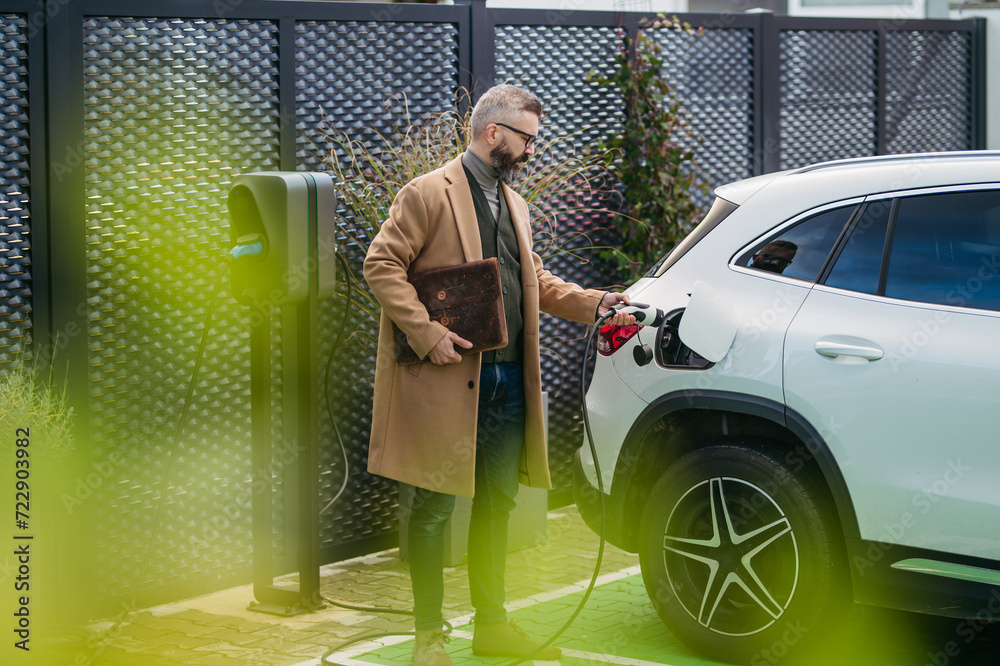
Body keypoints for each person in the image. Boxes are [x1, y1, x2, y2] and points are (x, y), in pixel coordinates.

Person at [363, 84, 635, 666]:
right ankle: (428, 639)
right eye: (527, 138)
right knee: (435, 511)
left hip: (509, 382)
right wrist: (426, 331)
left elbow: (534, 281)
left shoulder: (516, 204)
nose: (532, 150)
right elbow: (380, 264)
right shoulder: (426, 194)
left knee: (497, 507)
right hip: (445, 383)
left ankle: (492, 628)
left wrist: (596, 303)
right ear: (495, 134)